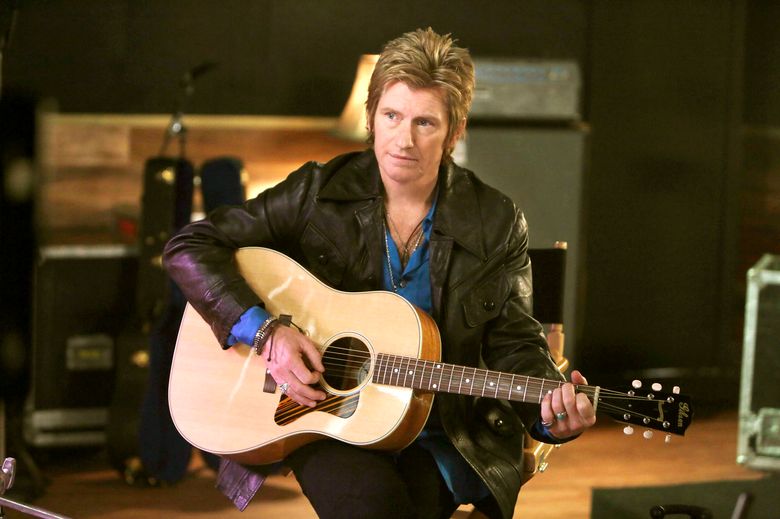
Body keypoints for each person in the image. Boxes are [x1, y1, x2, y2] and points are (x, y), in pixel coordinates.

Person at [163, 27, 596, 519]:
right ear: (371, 116)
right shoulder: (317, 192)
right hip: (322, 416)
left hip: (440, 432)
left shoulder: (495, 221)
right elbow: (188, 247)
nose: (404, 140)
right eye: (392, 116)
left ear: (454, 131)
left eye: (425, 122)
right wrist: (267, 333)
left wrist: (550, 416)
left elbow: (516, 344)